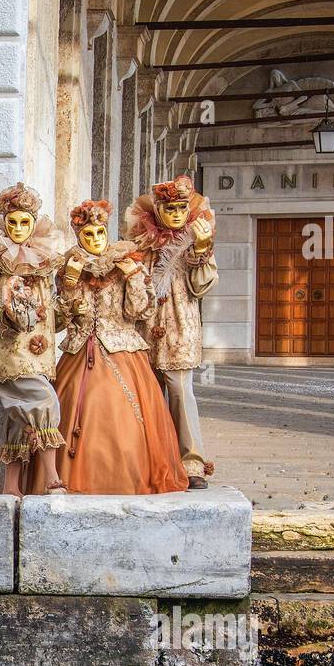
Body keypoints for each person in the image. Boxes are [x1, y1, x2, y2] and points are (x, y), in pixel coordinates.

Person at [38, 199, 188, 495]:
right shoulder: (70, 267)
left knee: (120, 417)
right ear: (79, 237)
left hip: (123, 351)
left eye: (100, 233)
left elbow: (140, 312)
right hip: (80, 350)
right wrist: (69, 284)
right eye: (88, 235)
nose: (95, 240)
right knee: (79, 409)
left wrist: (133, 276)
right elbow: (58, 321)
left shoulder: (125, 263)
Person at [0, 183, 67, 497]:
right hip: (7, 350)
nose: (19, 229)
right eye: (13, 222)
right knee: (43, 401)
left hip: (39, 352)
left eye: (26, 222)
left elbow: (49, 312)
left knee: (19, 415)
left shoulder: (42, 259)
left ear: (34, 223)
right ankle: (51, 477)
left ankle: (11, 487)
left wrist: (65, 309)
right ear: (4, 222)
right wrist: (4, 311)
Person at [127, 175, 218, 489]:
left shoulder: (196, 242)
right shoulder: (143, 242)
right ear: (157, 210)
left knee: (180, 393)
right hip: (144, 326)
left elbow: (201, 285)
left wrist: (202, 251)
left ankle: (191, 464)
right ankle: (151, 461)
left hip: (179, 326)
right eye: (170, 208)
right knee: (147, 396)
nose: (177, 214)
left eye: (182, 207)